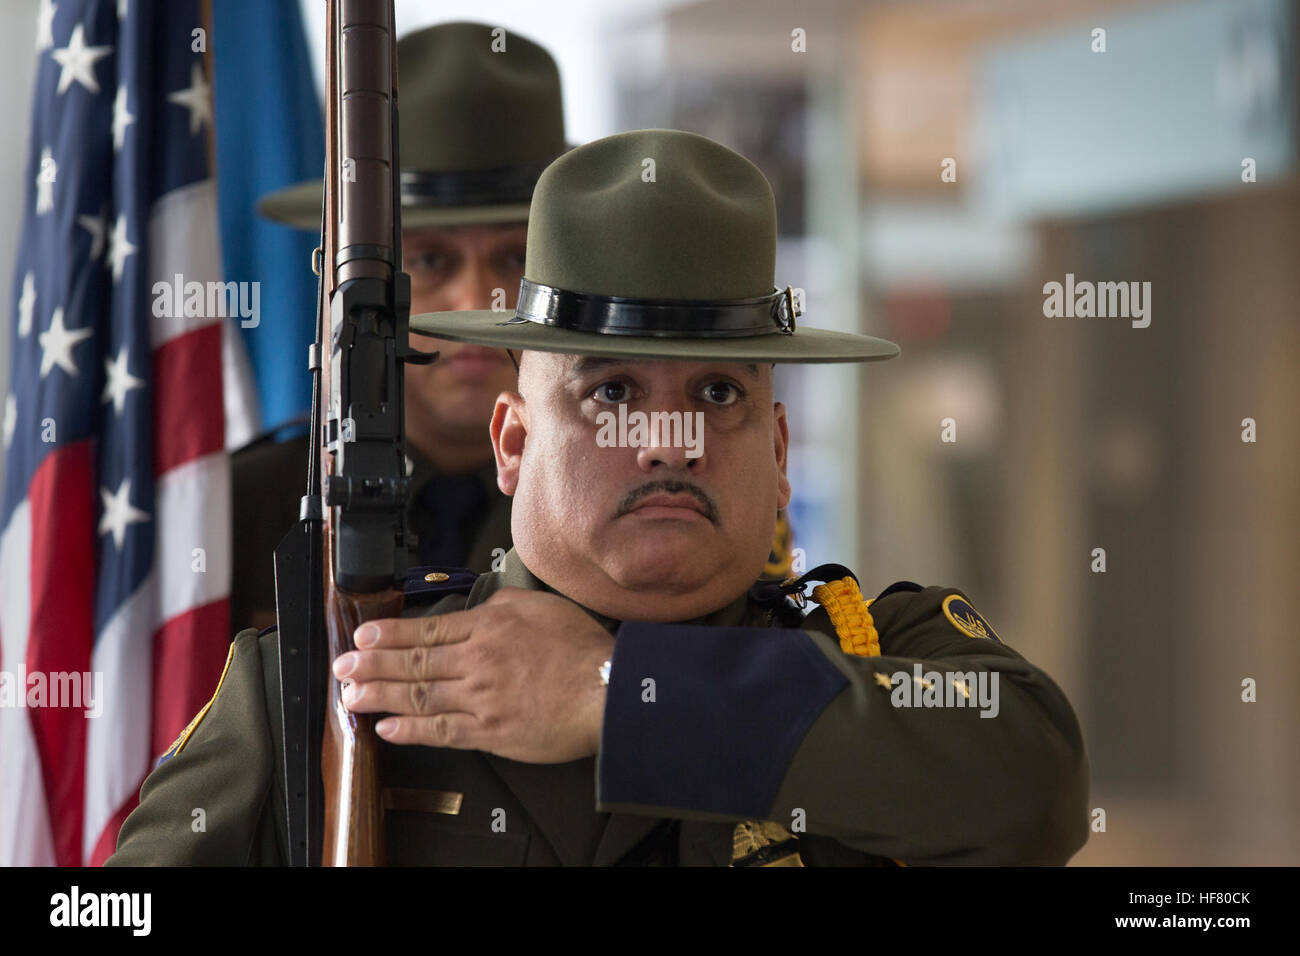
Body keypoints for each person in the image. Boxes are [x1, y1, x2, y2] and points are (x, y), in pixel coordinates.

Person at [108, 129, 1089, 866]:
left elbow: (1034, 781)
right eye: (610, 391)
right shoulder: (325, 686)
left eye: (717, 395)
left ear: (780, 450)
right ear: (514, 438)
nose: (669, 441)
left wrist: (622, 699)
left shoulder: (876, 650)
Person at [230, 21, 567, 632]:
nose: (477, 299)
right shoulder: (244, 510)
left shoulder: (618, 495)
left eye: (518, 258)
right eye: (432, 260)